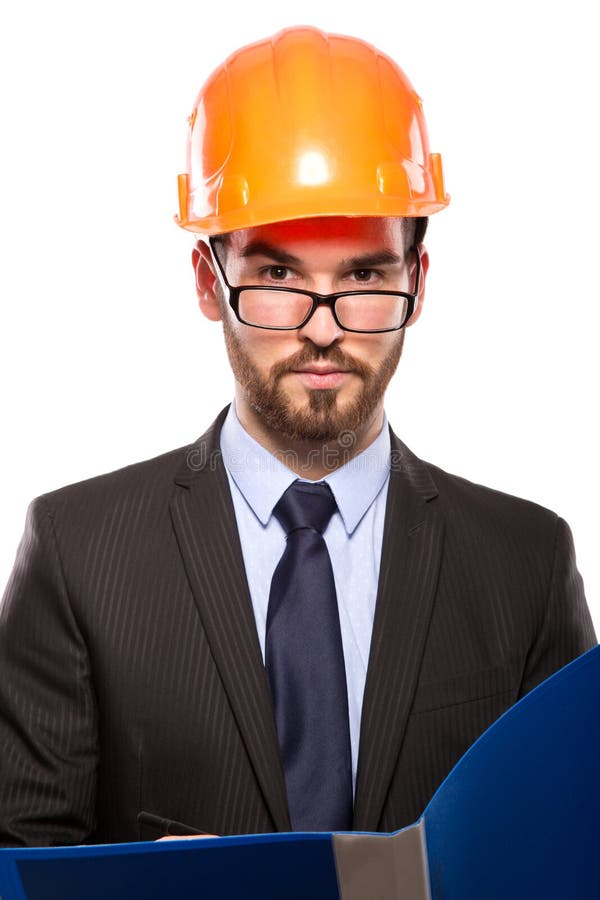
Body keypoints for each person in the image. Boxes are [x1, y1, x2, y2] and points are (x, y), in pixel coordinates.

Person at [0, 25, 595, 847]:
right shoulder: (78, 554)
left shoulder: (524, 562)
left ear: (417, 284)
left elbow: (567, 852)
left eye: (362, 276)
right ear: (211, 282)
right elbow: (21, 862)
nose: (324, 330)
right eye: (278, 276)